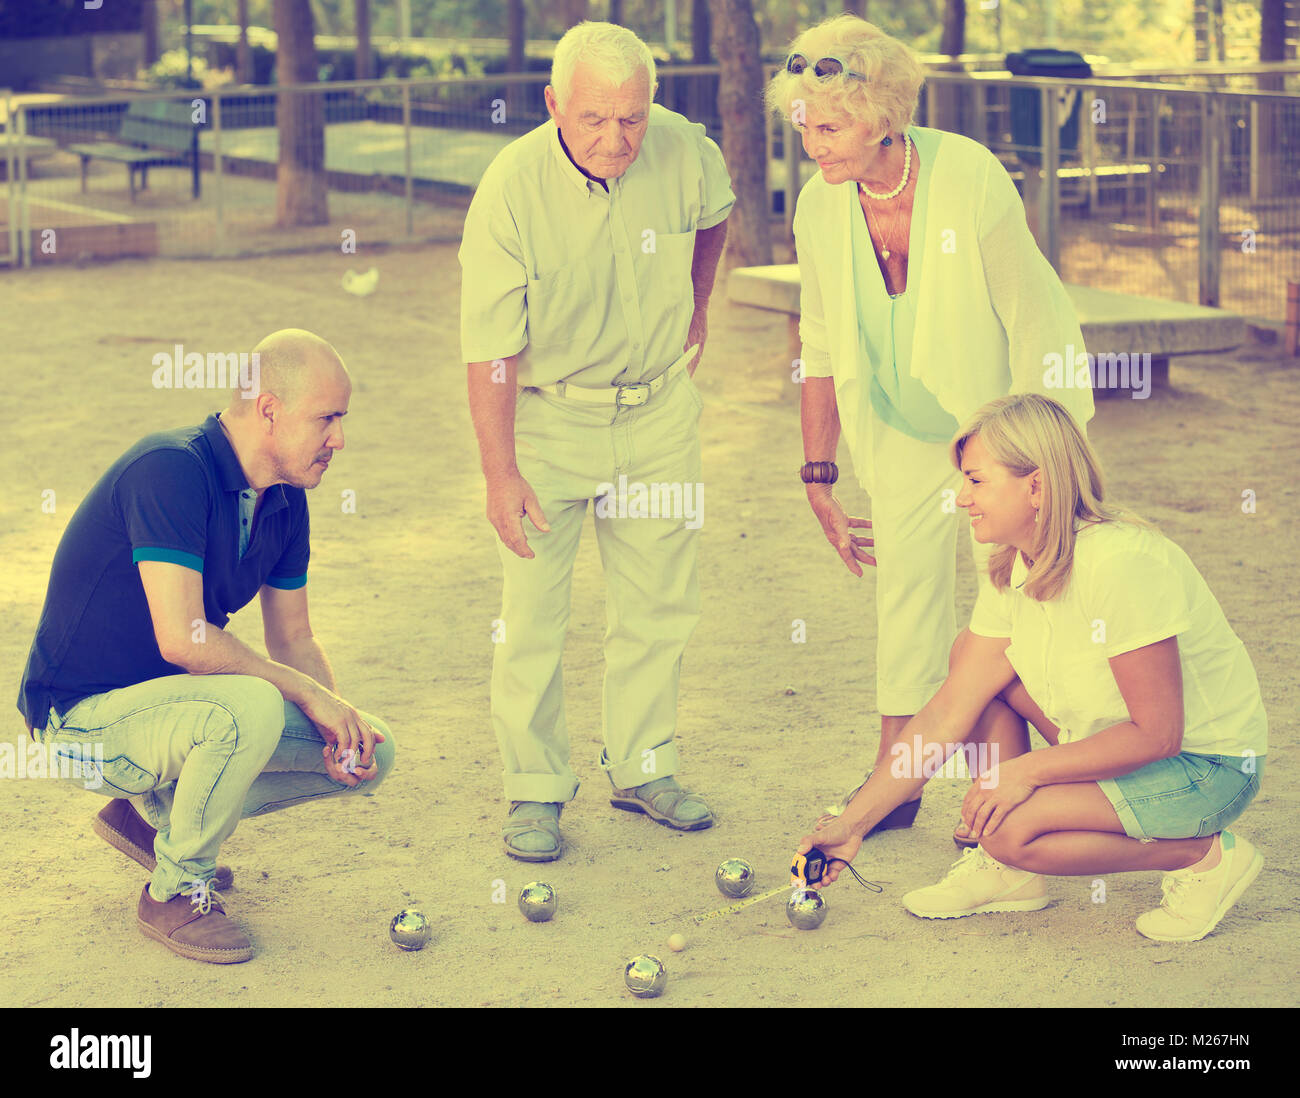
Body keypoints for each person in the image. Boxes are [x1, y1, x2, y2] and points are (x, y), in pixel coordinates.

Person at [764, 15, 1095, 844]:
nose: (814, 144)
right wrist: (818, 474)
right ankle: (898, 778)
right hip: (899, 425)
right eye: (803, 125)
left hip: (1000, 429)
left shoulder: (969, 178)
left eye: (830, 125)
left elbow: (1036, 317)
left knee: (1014, 602)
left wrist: (1041, 457)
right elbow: (819, 342)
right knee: (905, 596)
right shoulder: (818, 205)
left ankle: (1028, 784)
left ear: (882, 114)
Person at [796, 394, 1266, 943]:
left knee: (1009, 828)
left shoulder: (1123, 563)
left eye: (976, 481)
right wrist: (854, 821)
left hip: (1205, 766)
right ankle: (1012, 878)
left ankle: (1204, 856)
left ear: (1036, 486)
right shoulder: (1015, 562)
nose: (961, 498)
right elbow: (950, 711)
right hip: (1116, 743)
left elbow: (1159, 734)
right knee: (971, 674)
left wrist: (1023, 773)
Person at [16, 329, 396, 963]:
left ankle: (154, 817)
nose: (340, 439)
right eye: (327, 418)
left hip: (166, 716)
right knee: (248, 706)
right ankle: (175, 889)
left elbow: (294, 636)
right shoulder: (170, 470)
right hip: (77, 726)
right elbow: (185, 639)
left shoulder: (287, 499)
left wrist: (339, 722)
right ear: (269, 408)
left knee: (373, 752)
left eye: (342, 419)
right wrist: (305, 695)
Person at [460, 20, 735, 862]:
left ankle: (644, 768)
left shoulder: (684, 148)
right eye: (594, 120)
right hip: (550, 420)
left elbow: (714, 216)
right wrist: (501, 472)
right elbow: (492, 350)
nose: (617, 139)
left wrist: (696, 299)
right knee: (535, 621)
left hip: (657, 413)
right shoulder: (509, 187)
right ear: (552, 106)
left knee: (658, 607)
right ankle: (535, 789)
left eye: (632, 118)